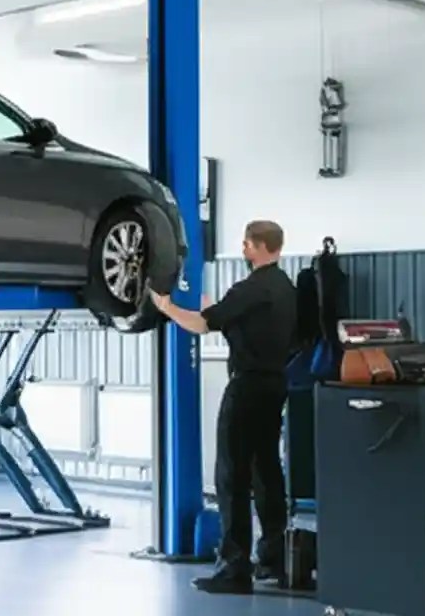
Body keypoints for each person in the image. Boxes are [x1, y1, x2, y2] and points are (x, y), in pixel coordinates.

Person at [149, 219, 297, 595]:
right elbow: (247, 323)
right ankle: (275, 558)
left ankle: (234, 568)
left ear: (262, 247)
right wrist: (220, 311)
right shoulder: (285, 289)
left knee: (232, 477)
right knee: (267, 471)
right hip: (276, 384)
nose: (244, 249)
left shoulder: (249, 288)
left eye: (247, 244)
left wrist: (166, 308)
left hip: (246, 387)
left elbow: (201, 325)